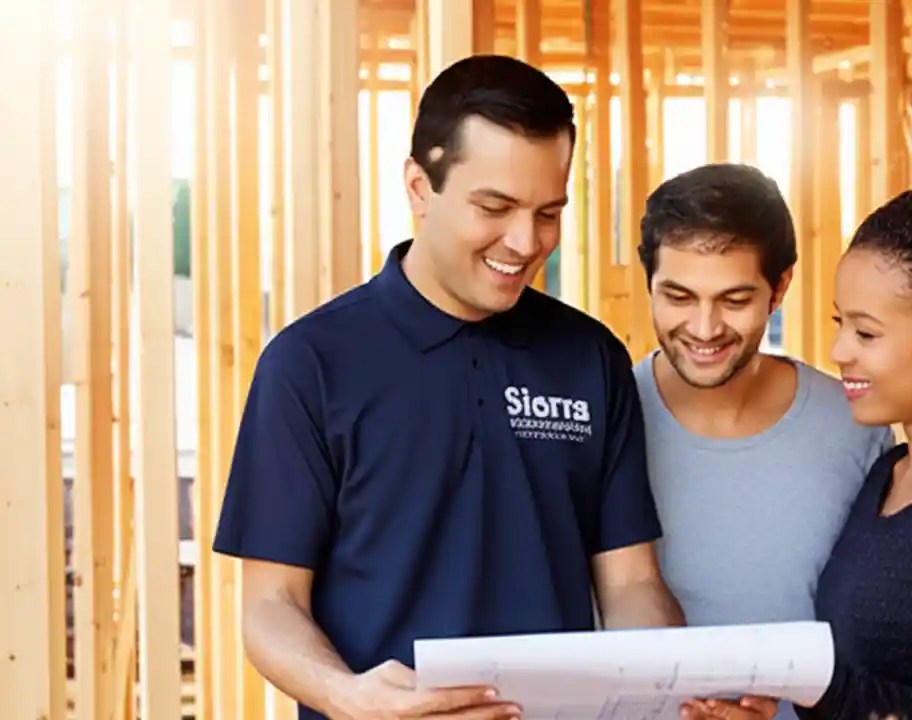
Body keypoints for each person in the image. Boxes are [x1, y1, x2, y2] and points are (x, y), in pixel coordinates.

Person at [212, 54, 684, 720]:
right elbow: (271, 603)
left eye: (548, 212)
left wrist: (670, 682)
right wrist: (347, 696)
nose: (524, 242)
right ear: (418, 186)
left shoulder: (590, 359)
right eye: (494, 207)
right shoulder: (311, 364)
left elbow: (631, 582)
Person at [631, 163, 894, 720]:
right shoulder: (607, 420)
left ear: (780, 287)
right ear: (649, 281)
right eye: (678, 296)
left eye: (734, 300)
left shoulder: (856, 425)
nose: (704, 328)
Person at [799, 186, 912, 719]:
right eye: (840, 324)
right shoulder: (888, 471)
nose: (839, 351)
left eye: (866, 333)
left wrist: (828, 693)